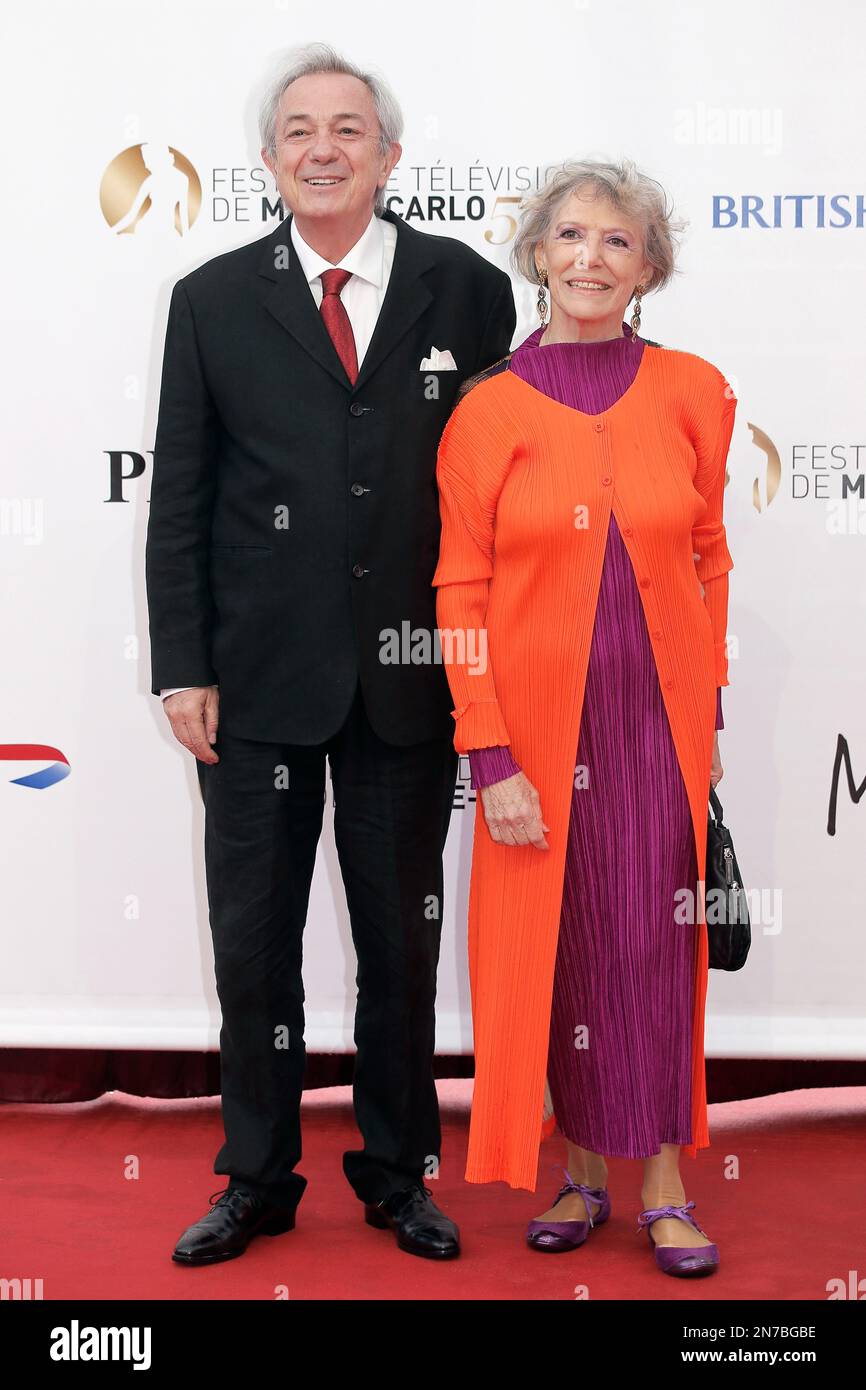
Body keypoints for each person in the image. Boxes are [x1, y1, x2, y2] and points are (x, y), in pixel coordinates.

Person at [145, 42, 515, 1265]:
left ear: (388, 154)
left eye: (347, 129)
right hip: (254, 683)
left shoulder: (467, 290)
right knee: (253, 949)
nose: (322, 148)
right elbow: (181, 497)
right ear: (266, 159)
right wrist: (182, 664)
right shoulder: (210, 299)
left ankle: (398, 1176)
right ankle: (255, 1177)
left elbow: (492, 496)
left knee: (399, 948)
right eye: (298, 130)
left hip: (411, 678)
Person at [432, 158, 736, 1277]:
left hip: (656, 732)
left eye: (617, 241)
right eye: (570, 236)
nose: (590, 259)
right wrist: (489, 751)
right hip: (531, 740)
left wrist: (704, 711)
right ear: (537, 256)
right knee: (556, 958)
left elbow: (708, 559)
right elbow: (459, 593)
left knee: (650, 952)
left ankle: (663, 1184)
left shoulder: (693, 391)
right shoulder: (486, 411)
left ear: (648, 267)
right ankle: (580, 1171)